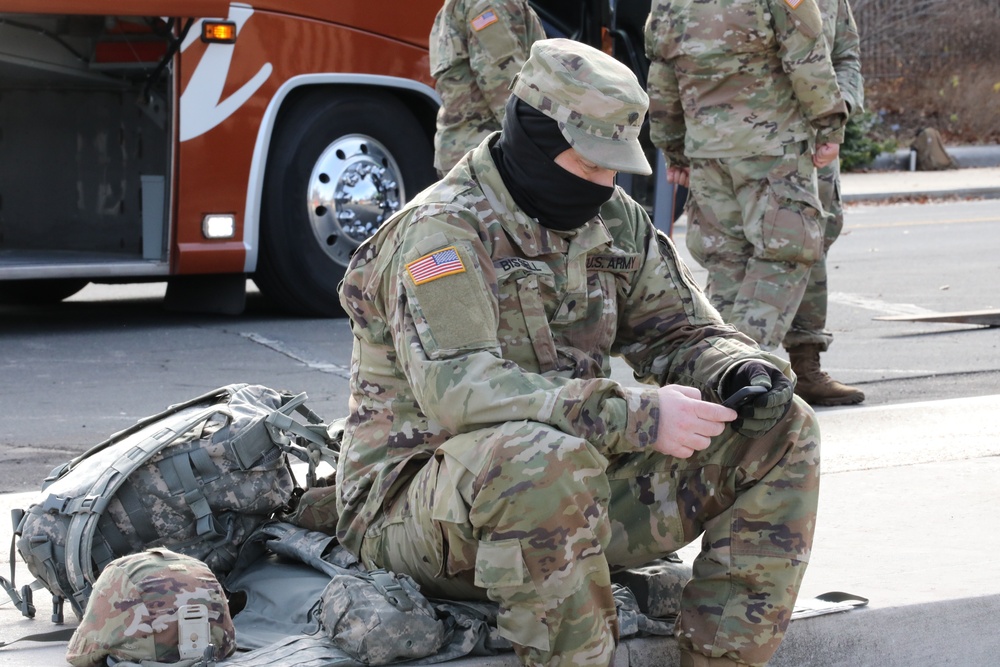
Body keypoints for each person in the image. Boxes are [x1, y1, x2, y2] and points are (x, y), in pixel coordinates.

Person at [336, 38, 821, 667]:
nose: (605, 184)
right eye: (589, 165)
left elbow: (679, 331)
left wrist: (734, 367)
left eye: (614, 167)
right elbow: (461, 392)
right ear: (532, 138)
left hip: (571, 486)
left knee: (781, 426)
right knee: (540, 460)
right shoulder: (443, 235)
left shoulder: (614, 220)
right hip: (420, 516)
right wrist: (640, 416)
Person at [644, 0, 855, 404]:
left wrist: (673, 149)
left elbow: (662, 78)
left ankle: (705, 373)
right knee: (785, 255)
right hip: (771, 148)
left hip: (707, 151)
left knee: (727, 265)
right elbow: (805, 55)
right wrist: (829, 123)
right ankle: (734, 371)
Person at [783, 0, 866, 405]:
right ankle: (735, 369)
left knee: (815, 240)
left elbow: (846, 54)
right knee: (742, 252)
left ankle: (806, 366)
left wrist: (840, 111)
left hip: (818, 143)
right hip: (758, 143)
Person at [429, 0, 545, 175]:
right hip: (487, 158)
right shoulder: (488, 3)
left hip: (473, 151)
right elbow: (504, 84)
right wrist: (543, 146)